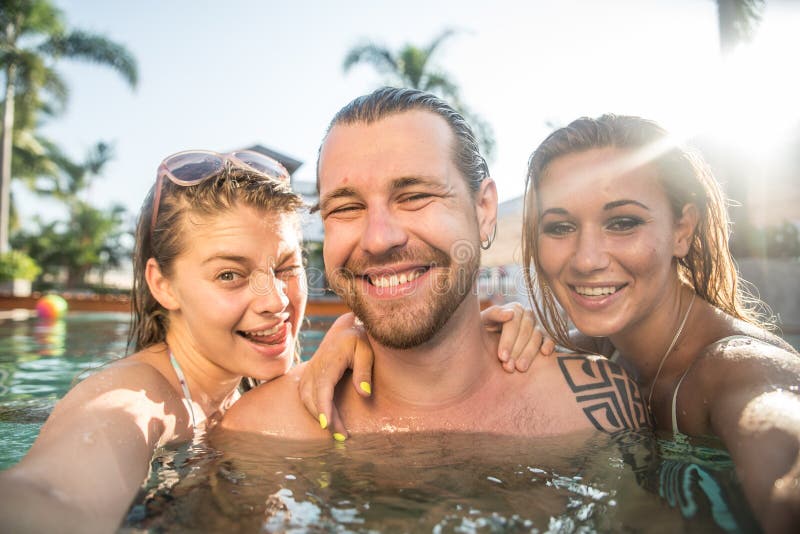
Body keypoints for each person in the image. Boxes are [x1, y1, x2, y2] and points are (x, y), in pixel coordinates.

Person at [0, 149, 539, 533]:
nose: (276, 302)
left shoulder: (241, 382)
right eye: (230, 276)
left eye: (285, 267)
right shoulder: (136, 401)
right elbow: (54, 494)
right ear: (162, 284)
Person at [220, 88, 647, 441]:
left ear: (483, 209)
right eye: (347, 207)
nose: (378, 238)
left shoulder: (597, 405)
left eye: (414, 196)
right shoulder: (259, 430)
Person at [517, 114, 800, 532]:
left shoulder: (736, 367)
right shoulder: (590, 353)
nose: (587, 259)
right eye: (560, 227)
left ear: (683, 229)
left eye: (623, 222)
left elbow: (781, 430)